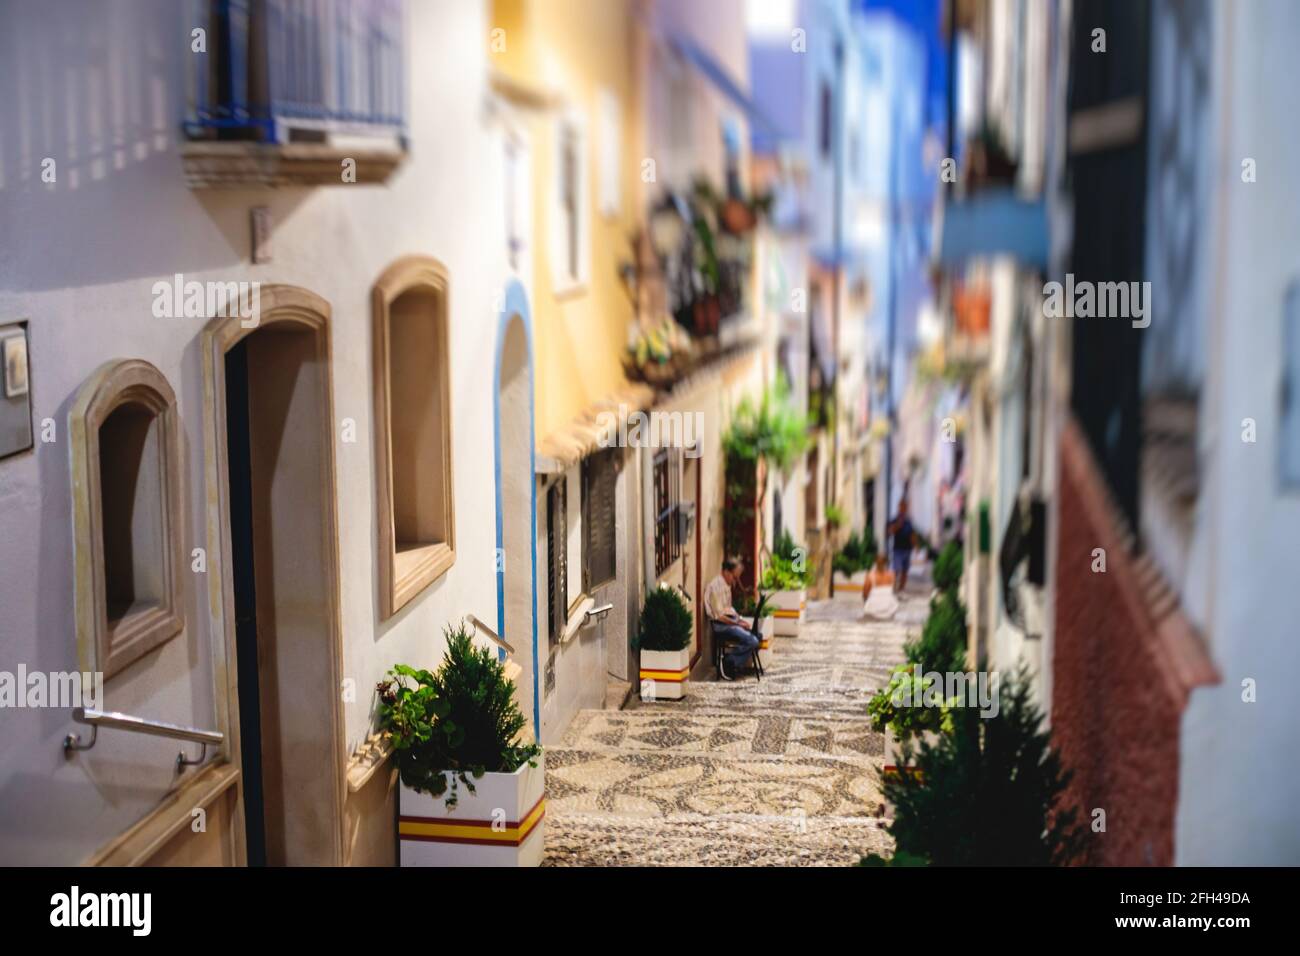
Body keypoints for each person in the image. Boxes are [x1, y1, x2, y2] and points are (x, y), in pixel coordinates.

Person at [703, 557, 759, 681]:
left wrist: (739, 620)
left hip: (730, 622)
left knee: (757, 635)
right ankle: (729, 661)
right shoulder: (715, 586)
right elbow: (719, 616)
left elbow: (728, 608)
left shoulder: (726, 584)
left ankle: (734, 664)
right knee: (753, 641)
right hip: (721, 625)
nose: (735, 580)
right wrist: (737, 624)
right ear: (726, 572)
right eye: (734, 577)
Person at [887, 498, 915, 593]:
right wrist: (898, 525)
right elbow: (890, 532)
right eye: (901, 506)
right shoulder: (894, 520)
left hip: (907, 549)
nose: (903, 509)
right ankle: (894, 588)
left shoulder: (908, 521)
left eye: (904, 507)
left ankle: (901, 589)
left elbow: (912, 533)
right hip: (898, 549)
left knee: (904, 571)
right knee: (896, 570)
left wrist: (915, 545)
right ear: (899, 507)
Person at [862, 554, 899, 620]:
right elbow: (894, 591)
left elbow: (865, 594)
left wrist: (866, 603)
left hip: (873, 610)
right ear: (886, 562)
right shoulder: (892, 575)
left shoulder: (870, 576)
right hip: (889, 610)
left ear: (875, 562)